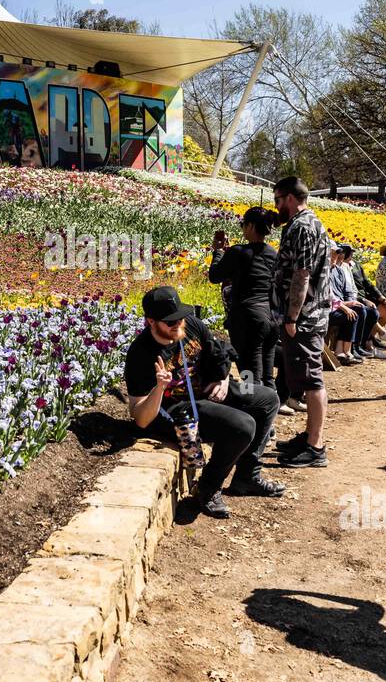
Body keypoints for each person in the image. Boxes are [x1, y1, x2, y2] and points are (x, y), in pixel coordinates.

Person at [125, 286, 285, 522]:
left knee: (267, 398)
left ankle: (247, 476)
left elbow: (217, 354)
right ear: (151, 321)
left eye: (179, 316)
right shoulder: (141, 354)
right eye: (170, 322)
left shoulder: (191, 325)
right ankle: (208, 489)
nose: (178, 323)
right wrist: (159, 387)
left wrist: (222, 378)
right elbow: (140, 418)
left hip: (209, 388)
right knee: (243, 426)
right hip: (179, 407)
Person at [271, 176, 333, 469]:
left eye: (278, 200)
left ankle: (315, 446)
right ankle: (309, 435)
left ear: (291, 199)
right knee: (306, 378)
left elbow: (302, 273)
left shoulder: (303, 227)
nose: (276, 206)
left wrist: (292, 316)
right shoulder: (307, 224)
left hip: (305, 316)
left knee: (311, 379)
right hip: (309, 314)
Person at [209, 207, 283, 406]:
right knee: (267, 375)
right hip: (271, 320)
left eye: (243, 225)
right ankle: (269, 418)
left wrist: (218, 252)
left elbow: (215, 276)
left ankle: (255, 415)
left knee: (249, 374)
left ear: (250, 226)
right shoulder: (272, 253)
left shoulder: (238, 252)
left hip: (248, 320)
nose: (242, 228)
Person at [329, 243, 386, 365]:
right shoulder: (324, 271)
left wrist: (352, 301)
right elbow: (327, 295)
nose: (337, 256)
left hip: (340, 304)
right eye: (334, 253)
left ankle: (352, 348)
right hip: (329, 308)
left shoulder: (339, 270)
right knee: (355, 313)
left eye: (339, 253)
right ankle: (347, 350)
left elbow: (348, 290)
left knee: (363, 310)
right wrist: (346, 305)